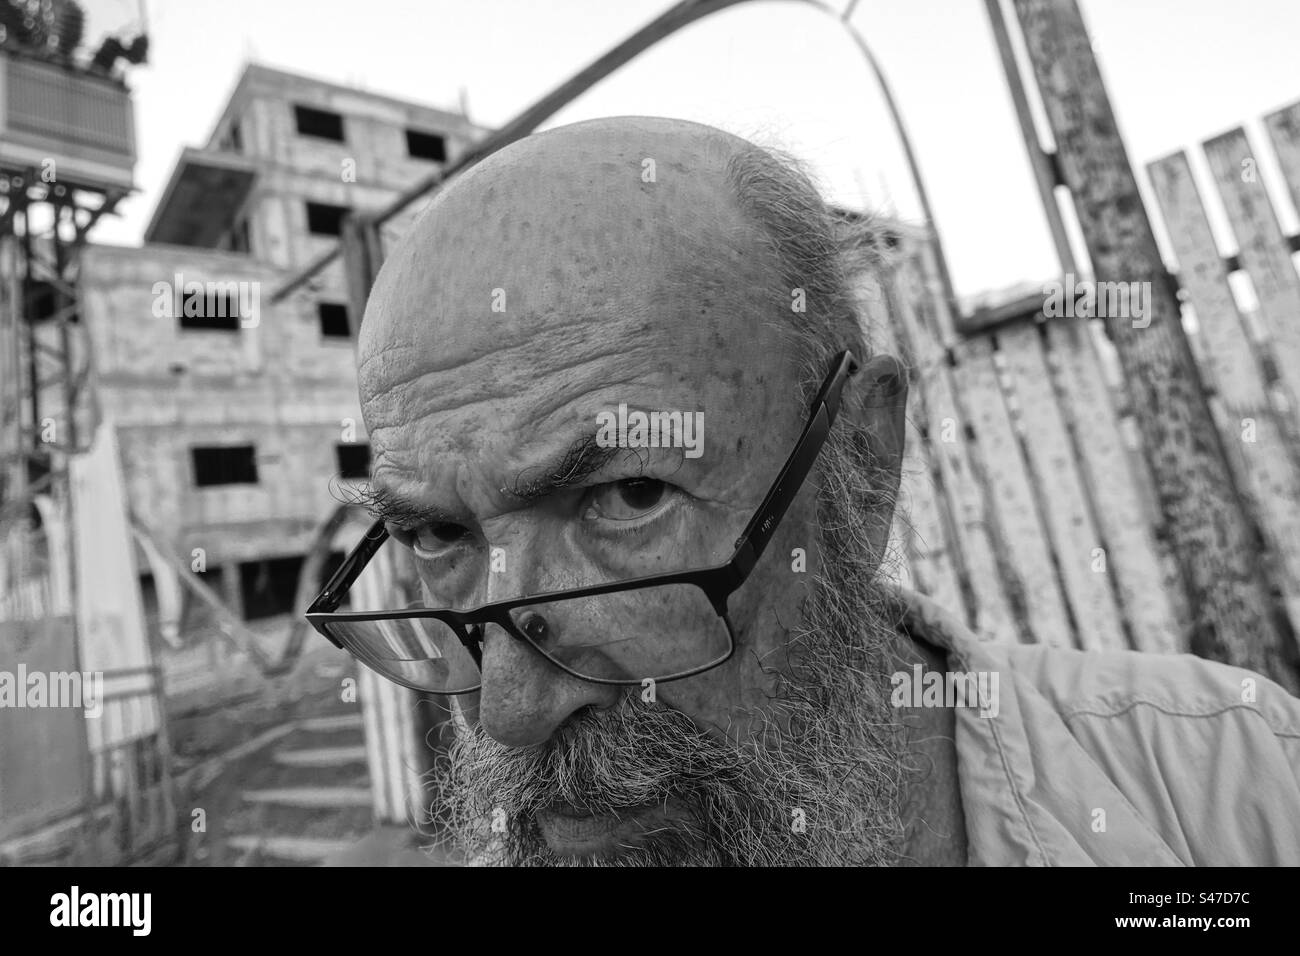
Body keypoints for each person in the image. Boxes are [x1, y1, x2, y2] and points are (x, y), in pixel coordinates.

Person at [315, 116, 1300, 865]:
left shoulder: (1237, 791)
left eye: (628, 497)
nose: (509, 708)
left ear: (861, 463)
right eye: (435, 533)